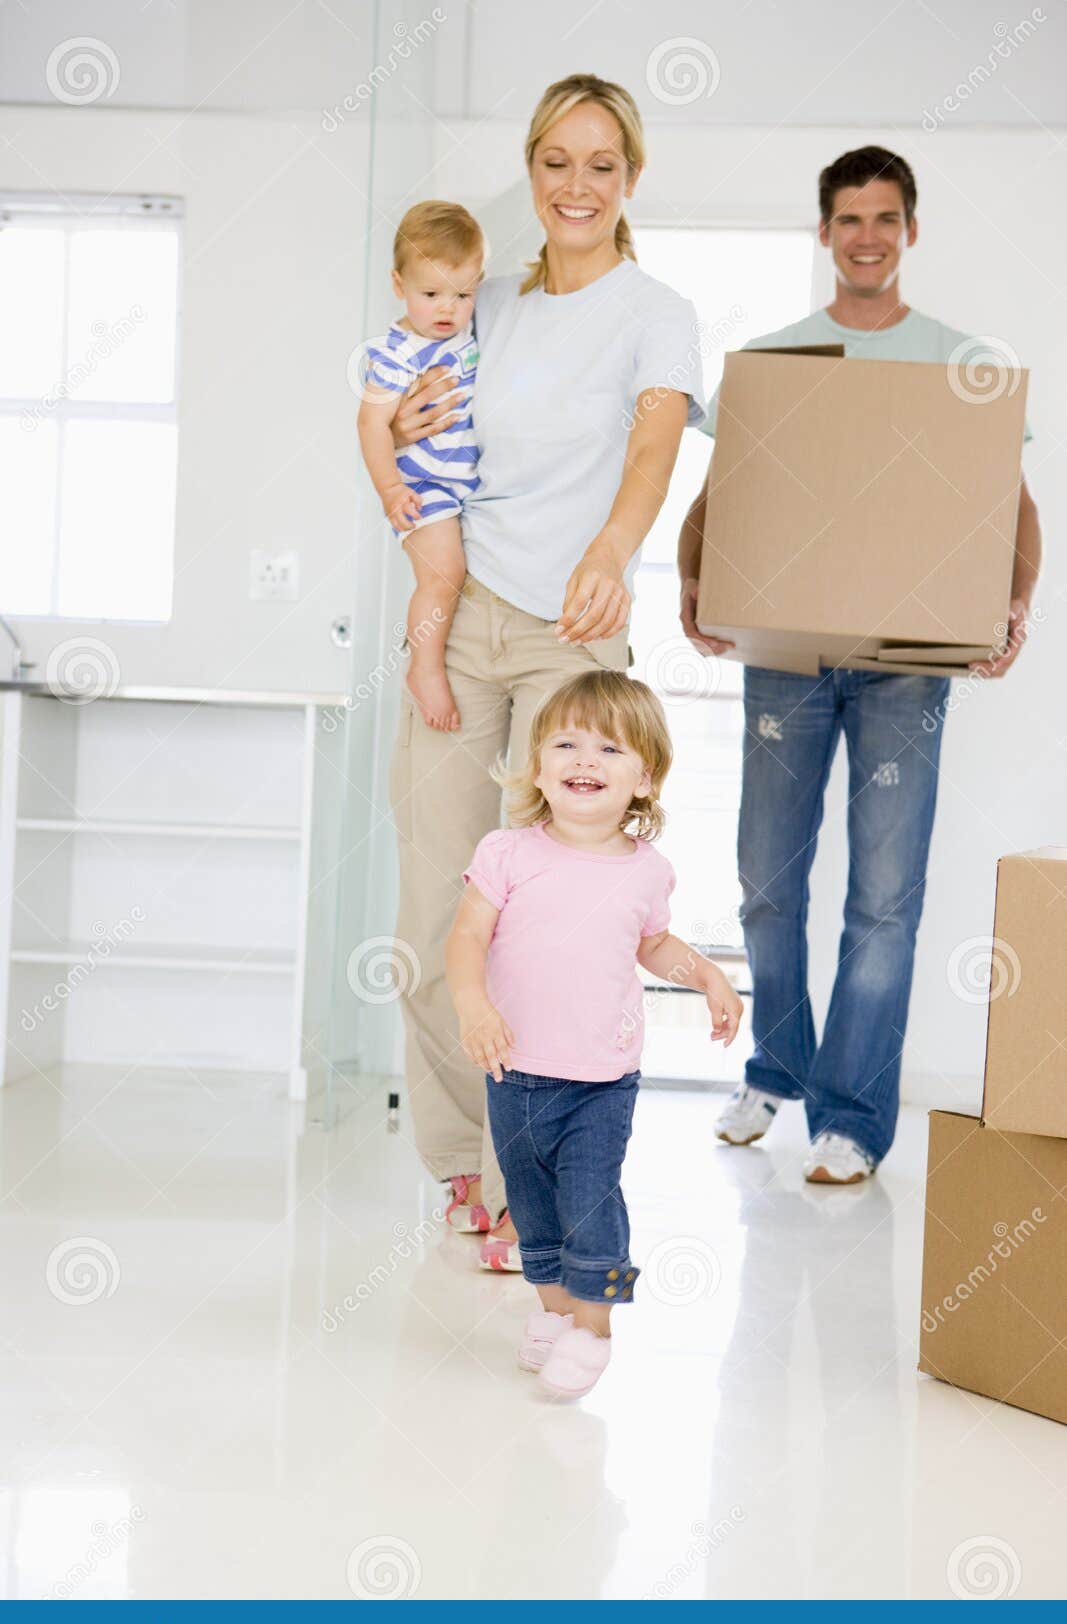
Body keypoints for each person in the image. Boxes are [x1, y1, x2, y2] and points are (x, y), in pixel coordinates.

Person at [388, 74, 707, 1266]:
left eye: (600, 164)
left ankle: (530, 1174)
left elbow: (653, 443)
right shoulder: (490, 305)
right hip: (464, 614)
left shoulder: (654, 311)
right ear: (530, 171)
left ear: (630, 177)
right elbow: (410, 418)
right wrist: (402, 423)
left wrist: (612, 552)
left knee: (550, 922)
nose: (577, 185)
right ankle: (462, 1164)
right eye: (556, 162)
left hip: (572, 626)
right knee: (435, 910)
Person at [678, 146, 1042, 1186]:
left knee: (882, 901)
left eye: (885, 219)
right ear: (824, 232)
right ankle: (775, 1070)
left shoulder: (957, 361)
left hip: (902, 668)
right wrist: (692, 582)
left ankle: (850, 1119)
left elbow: (1007, 503)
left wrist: (1011, 604)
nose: (866, 237)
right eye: (849, 219)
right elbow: (722, 496)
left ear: (909, 231)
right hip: (785, 656)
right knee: (764, 885)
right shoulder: (774, 359)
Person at [445, 671, 743, 1397]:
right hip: (514, 1073)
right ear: (538, 765)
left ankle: (594, 1329)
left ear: (645, 780)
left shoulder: (646, 871)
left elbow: (653, 945)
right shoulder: (506, 853)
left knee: (590, 1201)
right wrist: (473, 1005)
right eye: (567, 744)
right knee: (533, 1210)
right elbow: (466, 938)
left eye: (609, 749)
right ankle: (555, 1314)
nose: (585, 759)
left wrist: (706, 974)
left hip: (600, 1083)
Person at [357, 201, 484, 732]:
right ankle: (424, 668)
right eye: (430, 294)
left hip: (464, 485)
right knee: (443, 575)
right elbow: (371, 424)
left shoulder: (465, 332)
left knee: (458, 576)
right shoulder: (396, 354)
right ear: (399, 284)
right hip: (422, 485)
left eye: (462, 294)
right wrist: (391, 490)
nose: (447, 308)